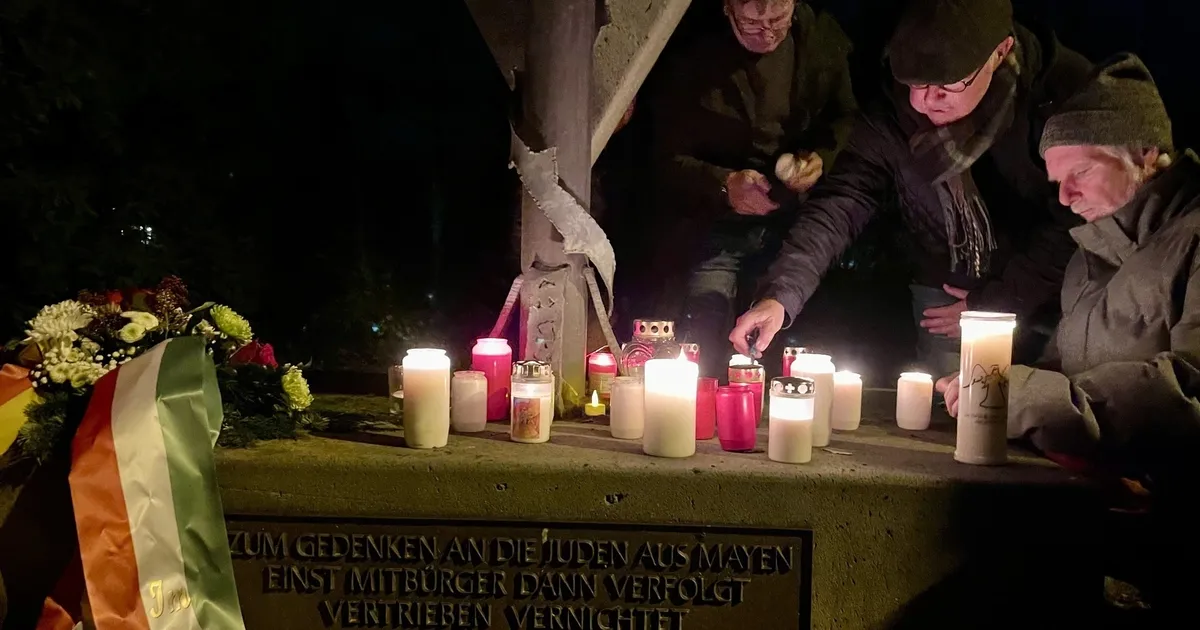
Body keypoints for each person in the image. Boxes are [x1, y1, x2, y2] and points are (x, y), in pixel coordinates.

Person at [936, 53, 1199, 619]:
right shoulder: (1087, 258)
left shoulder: (1194, 240)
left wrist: (1022, 394)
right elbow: (1061, 370)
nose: (1063, 198)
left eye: (1077, 174)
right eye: (1054, 182)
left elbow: (1190, 386)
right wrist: (988, 387)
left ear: (1145, 154)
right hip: (1091, 517)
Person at [729, 0, 1091, 379]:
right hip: (947, 291)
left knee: (1041, 410)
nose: (924, 101)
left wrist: (1001, 300)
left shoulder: (1061, 101)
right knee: (951, 417)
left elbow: (1076, 219)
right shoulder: (892, 111)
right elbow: (840, 203)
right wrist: (780, 297)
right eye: (915, 83)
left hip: (1054, 289)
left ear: (1000, 53)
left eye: (948, 85)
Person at [651, 0, 858, 378]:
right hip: (711, 225)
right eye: (752, 21)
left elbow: (845, 117)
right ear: (727, 8)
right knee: (704, 342)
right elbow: (658, 155)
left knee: (781, 353)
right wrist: (723, 184)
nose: (768, 32)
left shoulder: (820, 39)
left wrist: (820, 158)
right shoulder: (690, 53)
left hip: (792, 224)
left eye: (778, 17)